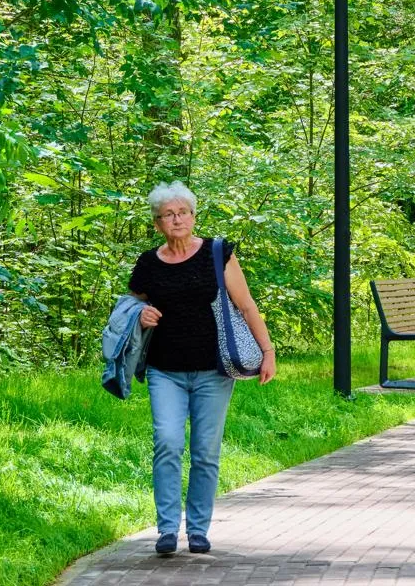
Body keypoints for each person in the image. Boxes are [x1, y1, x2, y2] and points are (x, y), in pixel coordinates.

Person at [128, 182, 276, 556]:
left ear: (194, 216)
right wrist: (140, 316)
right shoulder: (148, 264)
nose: (176, 219)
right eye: (168, 214)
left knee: (205, 451)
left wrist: (267, 351)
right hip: (165, 370)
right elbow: (127, 313)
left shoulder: (216, 253)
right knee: (167, 443)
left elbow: (247, 306)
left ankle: (197, 530)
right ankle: (166, 530)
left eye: (183, 212)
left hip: (214, 370)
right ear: (157, 222)